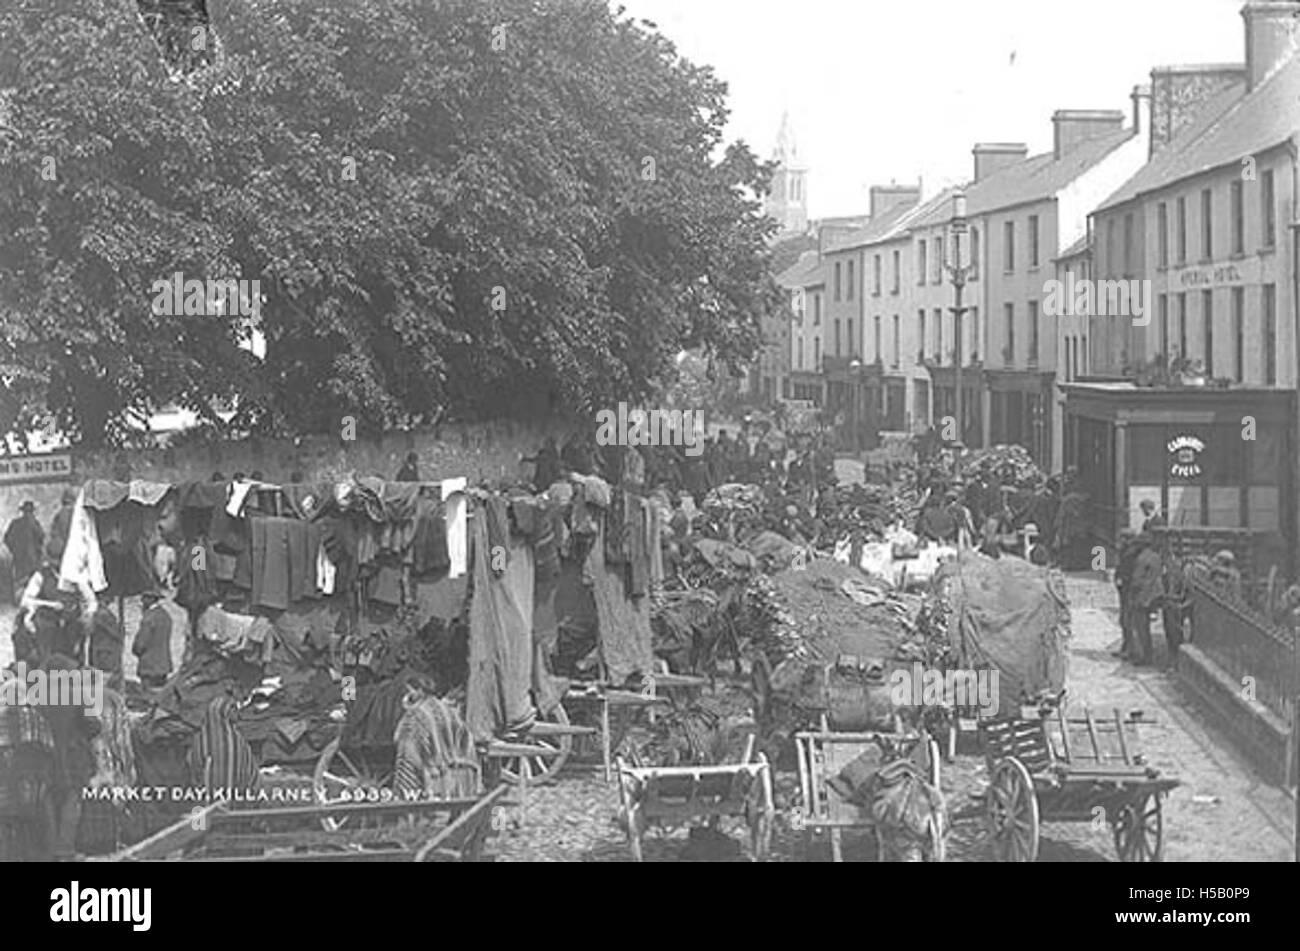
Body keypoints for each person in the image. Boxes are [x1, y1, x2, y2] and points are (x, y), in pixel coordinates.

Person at [38, 652, 100, 860]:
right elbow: (93, 727)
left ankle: (49, 851)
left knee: (48, 802)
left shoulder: (37, 695)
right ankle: (65, 851)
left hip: (46, 756)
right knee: (71, 802)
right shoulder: (77, 694)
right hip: (74, 757)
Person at [1127, 535, 1164, 665]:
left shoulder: (1142, 559)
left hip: (1143, 596)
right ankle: (1148, 655)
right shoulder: (1156, 557)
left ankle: (1145, 656)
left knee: (1141, 627)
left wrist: (1132, 594)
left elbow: (1136, 580)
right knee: (1145, 627)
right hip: (1155, 595)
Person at [133, 590, 173, 689]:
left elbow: (141, 643)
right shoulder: (165, 615)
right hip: (163, 664)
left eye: (144, 598)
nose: (142, 601)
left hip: (149, 665)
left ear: (150, 599)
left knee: (147, 696)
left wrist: (135, 649)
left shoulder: (149, 618)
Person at [4, 500, 45, 596]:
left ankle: (19, 599)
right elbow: (41, 538)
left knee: (20, 578)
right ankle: (29, 598)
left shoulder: (15, 523)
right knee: (32, 579)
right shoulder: (35, 523)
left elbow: (7, 539)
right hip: (33, 558)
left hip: (20, 558)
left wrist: (14, 550)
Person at [47, 488, 76, 566]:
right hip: (75, 552)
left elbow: (53, 533)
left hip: (61, 552)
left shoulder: (59, 515)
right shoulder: (77, 515)